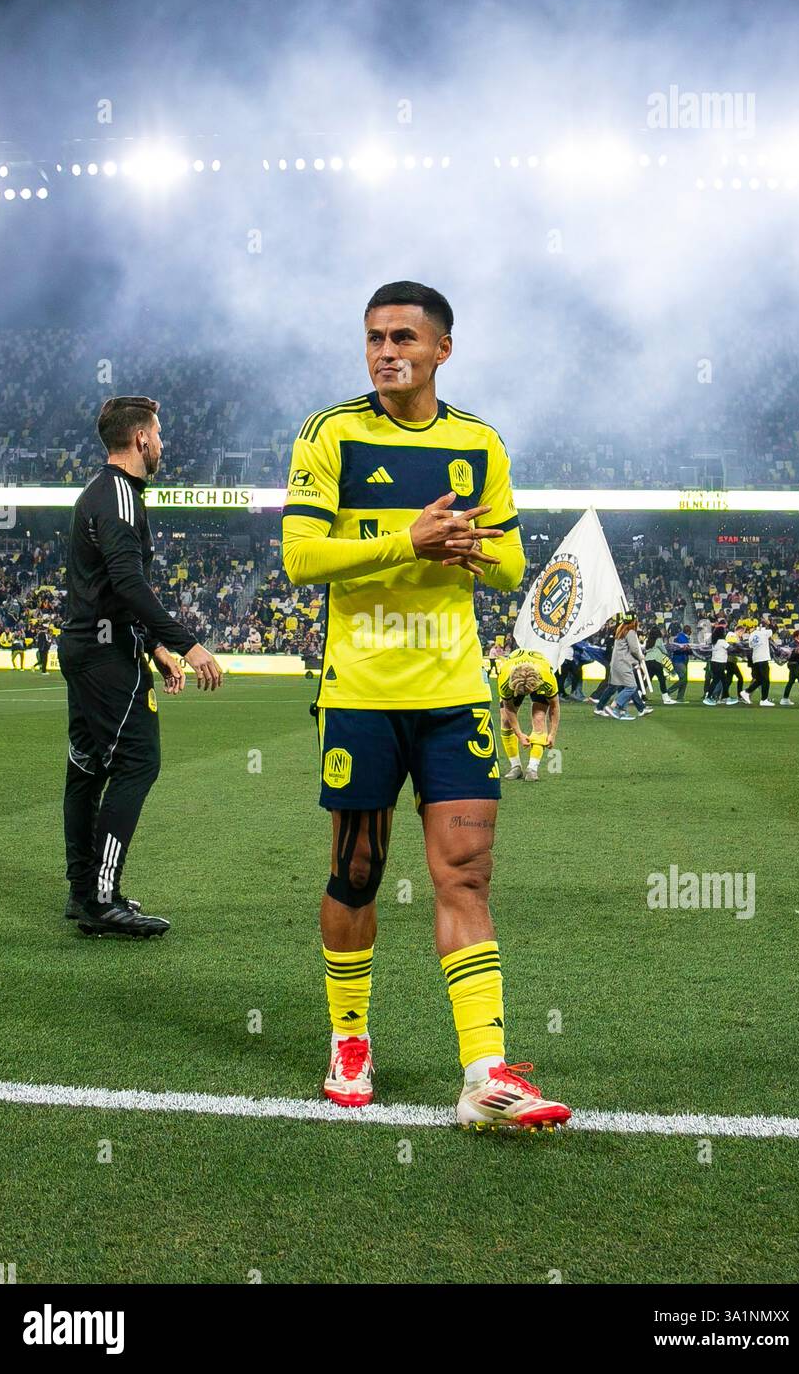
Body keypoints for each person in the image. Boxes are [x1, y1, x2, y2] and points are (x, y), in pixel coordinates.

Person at [282, 280, 570, 1132]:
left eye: (404, 337)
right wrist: (408, 537)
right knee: (357, 873)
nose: (385, 352)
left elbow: (516, 566)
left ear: (443, 348)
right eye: (373, 337)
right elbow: (300, 555)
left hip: (454, 697)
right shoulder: (331, 432)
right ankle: (350, 1040)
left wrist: (474, 547)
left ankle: (485, 1075)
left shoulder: (480, 443)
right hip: (363, 693)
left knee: (466, 873)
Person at [59, 395, 223, 938]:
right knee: (138, 762)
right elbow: (128, 584)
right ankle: (102, 898)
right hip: (107, 655)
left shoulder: (96, 493)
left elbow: (107, 586)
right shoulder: (122, 497)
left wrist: (154, 645)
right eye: (159, 434)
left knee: (85, 768)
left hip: (85, 645)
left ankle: (83, 891)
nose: (163, 444)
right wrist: (187, 643)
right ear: (140, 440)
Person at [497, 649, 561, 781]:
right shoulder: (504, 678)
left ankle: (532, 768)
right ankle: (515, 766)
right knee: (505, 720)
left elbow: (554, 706)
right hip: (514, 679)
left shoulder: (547, 678)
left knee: (539, 718)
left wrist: (552, 734)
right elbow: (508, 708)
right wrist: (519, 734)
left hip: (537, 678)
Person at [607, 614, 646, 720]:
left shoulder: (621, 630)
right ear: (634, 621)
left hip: (616, 663)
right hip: (623, 663)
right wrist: (640, 657)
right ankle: (613, 706)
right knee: (632, 687)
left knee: (623, 687)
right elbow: (634, 649)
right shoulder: (631, 632)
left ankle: (622, 712)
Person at [644, 626, 678, 705]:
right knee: (662, 679)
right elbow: (663, 649)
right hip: (656, 661)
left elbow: (646, 650)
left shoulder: (648, 640)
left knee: (647, 680)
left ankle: (638, 696)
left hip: (647, 661)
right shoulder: (658, 640)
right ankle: (665, 698)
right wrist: (667, 653)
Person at [745, 618, 774, 706]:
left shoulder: (752, 634)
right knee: (766, 680)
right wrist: (769, 623)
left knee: (760, 679)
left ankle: (747, 692)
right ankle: (764, 699)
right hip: (763, 658)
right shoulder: (764, 633)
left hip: (755, 659)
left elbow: (751, 645)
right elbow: (774, 630)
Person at [703, 621, 731, 706]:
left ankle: (725, 697)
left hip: (714, 662)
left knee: (723, 680)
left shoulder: (715, 641)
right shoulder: (722, 641)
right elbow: (731, 649)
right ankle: (709, 696)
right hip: (720, 663)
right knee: (716, 680)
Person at [780, 631, 799, 705]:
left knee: (791, 682)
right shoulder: (793, 643)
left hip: (795, 664)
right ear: (796, 636)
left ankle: (785, 698)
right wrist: (798, 652)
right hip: (794, 664)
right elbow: (791, 655)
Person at [670, 624, 692, 702]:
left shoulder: (679, 637)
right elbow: (677, 649)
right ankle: (668, 691)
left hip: (680, 660)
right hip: (679, 660)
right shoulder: (682, 638)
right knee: (684, 679)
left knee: (684, 680)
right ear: (689, 631)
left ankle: (680, 697)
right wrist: (687, 650)